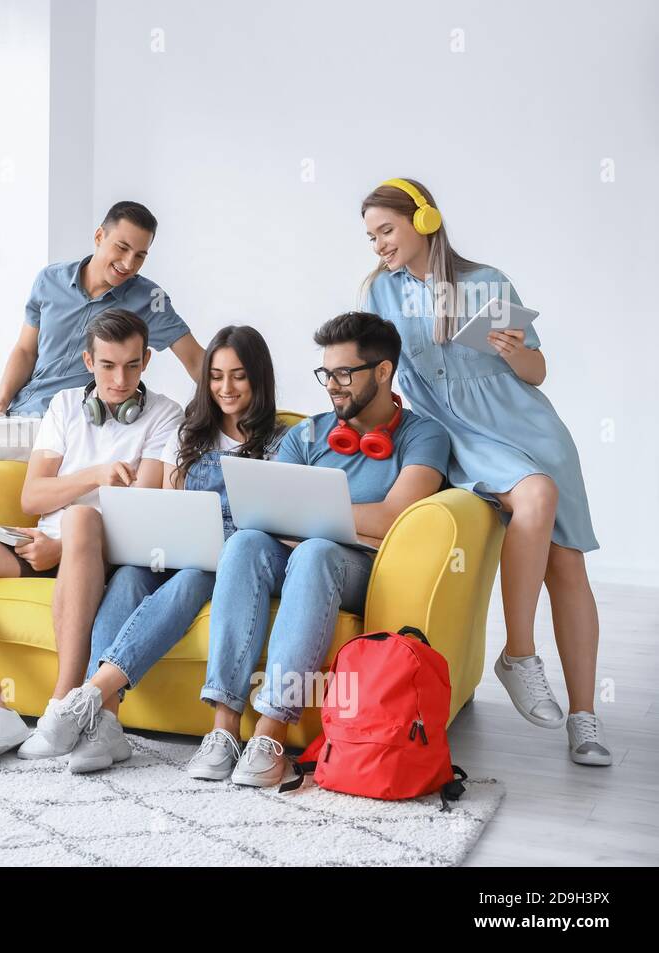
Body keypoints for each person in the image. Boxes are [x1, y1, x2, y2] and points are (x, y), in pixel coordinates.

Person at [361, 178, 609, 766]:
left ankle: (584, 718)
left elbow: (537, 372)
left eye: (386, 230)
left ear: (424, 221)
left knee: (568, 567)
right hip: (460, 435)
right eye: (371, 237)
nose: (379, 244)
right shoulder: (381, 293)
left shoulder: (485, 282)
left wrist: (513, 351)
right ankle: (519, 654)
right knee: (537, 497)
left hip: (530, 430)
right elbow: (378, 371)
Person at [190, 312, 451, 787]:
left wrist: (315, 520)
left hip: (360, 569)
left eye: (344, 373)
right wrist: (339, 522)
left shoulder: (423, 435)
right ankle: (224, 730)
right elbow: (270, 515)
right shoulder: (306, 435)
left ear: (383, 371)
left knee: (315, 553)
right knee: (245, 543)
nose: (332, 385)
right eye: (326, 373)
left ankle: (270, 735)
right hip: (301, 556)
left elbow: (396, 516)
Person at [0, 309, 183, 767]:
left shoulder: (164, 415)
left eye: (131, 366)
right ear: (88, 361)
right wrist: (95, 475)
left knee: (80, 519)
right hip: (42, 543)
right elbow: (32, 496)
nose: (120, 380)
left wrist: (62, 545)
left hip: (101, 553)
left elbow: (140, 515)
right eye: (107, 366)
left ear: (146, 362)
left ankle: (60, 707)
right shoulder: (64, 405)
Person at [59, 325, 290, 774]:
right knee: (129, 577)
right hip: (181, 548)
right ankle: (105, 724)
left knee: (191, 578)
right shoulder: (188, 432)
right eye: (216, 376)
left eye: (239, 376)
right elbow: (169, 502)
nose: (226, 388)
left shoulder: (281, 442)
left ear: (258, 378)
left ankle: (90, 694)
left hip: (233, 561)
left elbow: (277, 522)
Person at [0, 201, 204, 469]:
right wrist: (2, 399)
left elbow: (195, 360)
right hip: (19, 415)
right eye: (122, 248)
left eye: (140, 256)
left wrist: (225, 412)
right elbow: (26, 350)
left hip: (63, 426)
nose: (129, 264)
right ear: (99, 236)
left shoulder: (150, 298)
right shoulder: (49, 279)